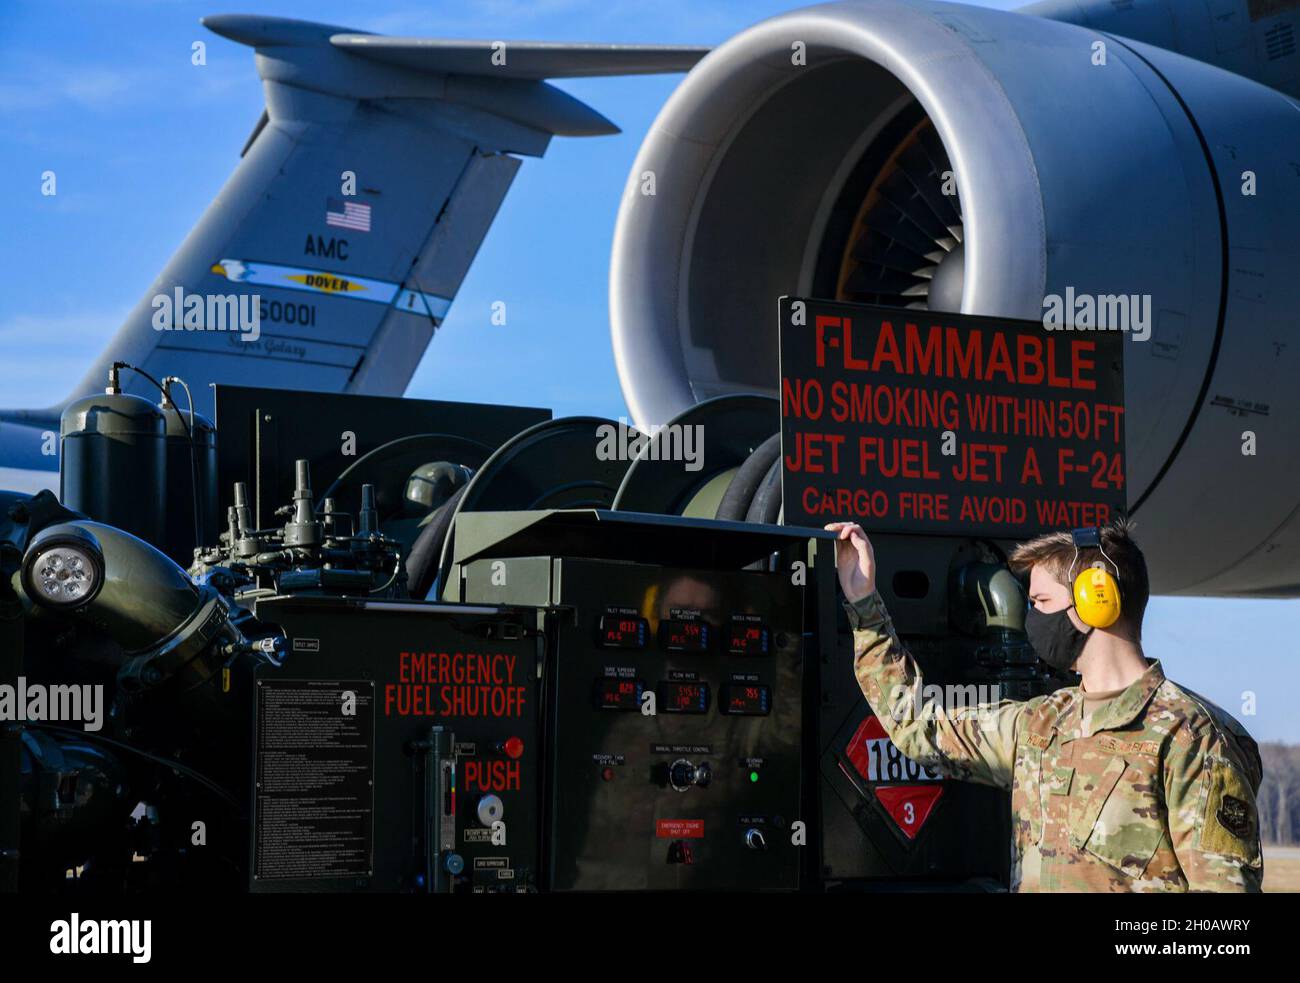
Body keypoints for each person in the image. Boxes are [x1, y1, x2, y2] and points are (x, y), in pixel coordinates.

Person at [827, 517, 1264, 892]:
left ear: (1096, 602)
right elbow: (918, 724)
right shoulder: (1042, 723)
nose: (1031, 619)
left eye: (1040, 603)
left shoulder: (1191, 739)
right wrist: (864, 603)